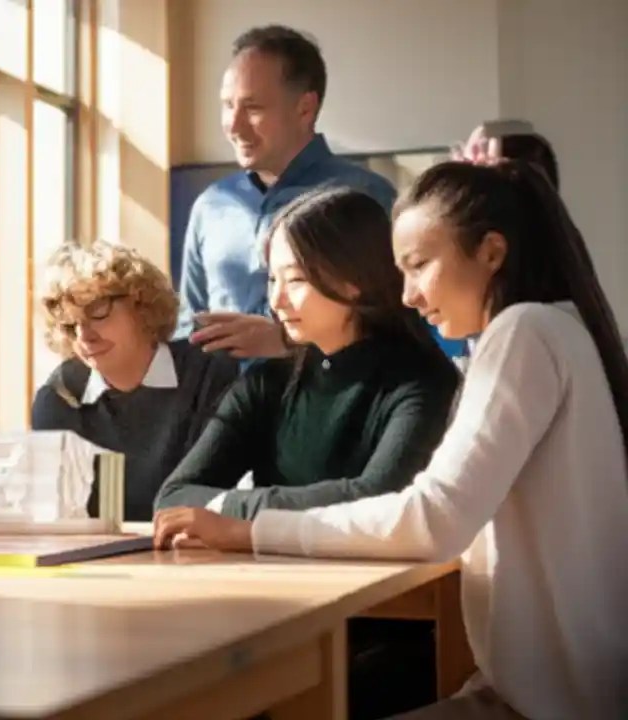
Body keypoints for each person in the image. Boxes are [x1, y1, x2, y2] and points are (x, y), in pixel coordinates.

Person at [154, 160, 628, 719]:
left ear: (492, 254)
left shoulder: (521, 333)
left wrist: (252, 530)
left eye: (420, 266)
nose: (405, 295)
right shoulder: (559, 327)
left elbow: (433, 518)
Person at [157, 188, 460, 718]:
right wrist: (241, 514)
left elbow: (377, 499)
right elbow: (176, 496)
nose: (276, 300)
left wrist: (231, 517)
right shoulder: (269, 383)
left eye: (295, 279)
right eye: (272, 279)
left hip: (380, 627)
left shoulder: (421, 379)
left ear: (352, 278)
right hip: (269, 614)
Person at [178, 25, 396, 360]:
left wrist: (287, 342)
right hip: (223, 407)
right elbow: (187, 327)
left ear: (305, 108)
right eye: (227, 106)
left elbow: (397, 326)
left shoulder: (366, 198)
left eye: (253, 107)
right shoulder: (211, 206)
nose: (234, 127)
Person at [32, 241, 238, 521]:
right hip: (98, 559)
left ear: (141, 304)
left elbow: (215, 494)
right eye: (70, 325)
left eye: (97, 312)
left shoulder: (209, 374)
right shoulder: (60, 398)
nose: (84, 336)